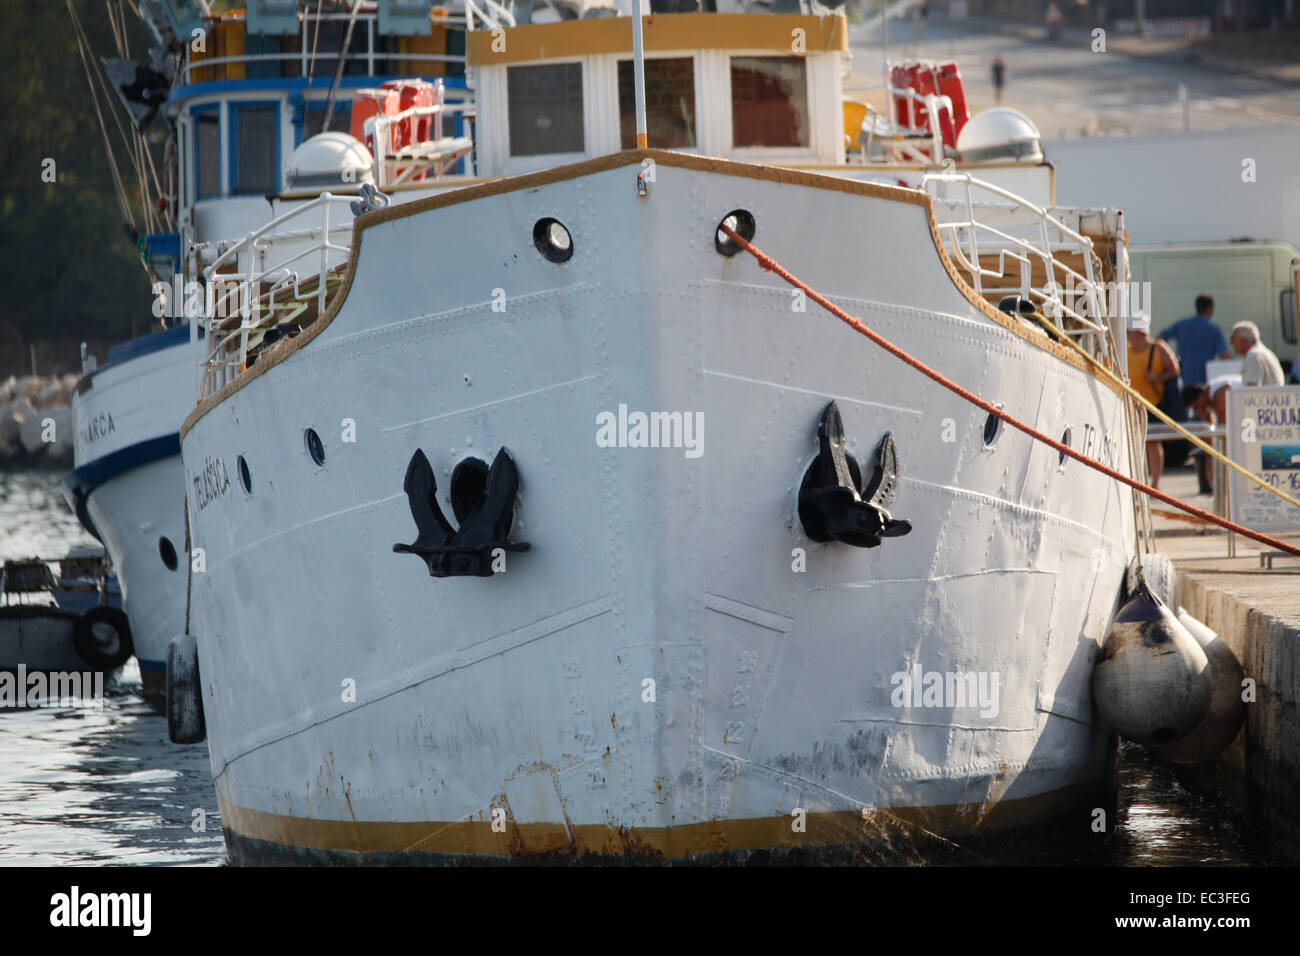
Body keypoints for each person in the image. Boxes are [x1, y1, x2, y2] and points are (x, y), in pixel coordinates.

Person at [1127, 314, 1181, 489]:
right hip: (1130, 404)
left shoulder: (1158, 348)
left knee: (1153, 443)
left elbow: (1174, 370)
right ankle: (1136, 482)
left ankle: (1155, 484)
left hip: (1152, 404)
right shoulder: (1126, 349)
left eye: (1133, 331)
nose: (1130, 334)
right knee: (1133, 442)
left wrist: (1157, 378)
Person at [1159, 294, 1231, 389]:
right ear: (1210, 308)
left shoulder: (1182, 324)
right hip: (1205, 383)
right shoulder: (1214, 329)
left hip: (1183, 380)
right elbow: (1224, 356)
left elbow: (1159, 339)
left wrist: (1169, 357)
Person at [1230, 321, 1285, 386]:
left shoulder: (1253, 356)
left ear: (1243, 341)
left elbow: (1252, 389)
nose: (1231, 343)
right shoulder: (1262, 352)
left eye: (1232, 339)